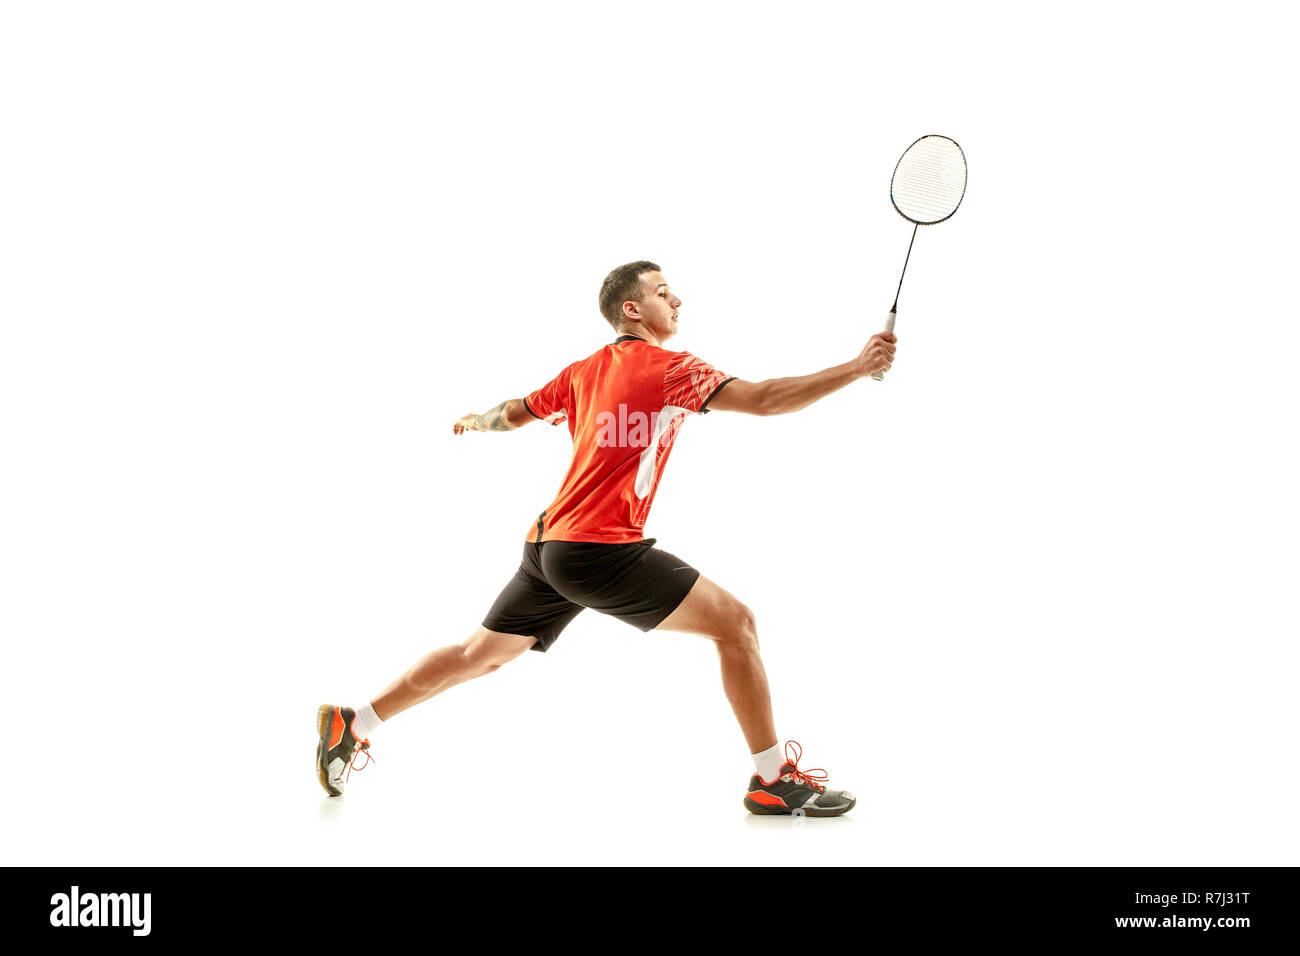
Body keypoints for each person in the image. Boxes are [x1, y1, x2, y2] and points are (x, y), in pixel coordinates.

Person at [316, 260, 897, 815]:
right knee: (737, 624)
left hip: (547, 548)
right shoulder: (673, 369)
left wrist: (474, 419)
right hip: (600, 550)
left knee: (479, 656)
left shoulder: (581, 371)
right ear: (633, 309)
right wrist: (853, 367)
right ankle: (773, 783)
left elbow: (514, 413)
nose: (676, 299)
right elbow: (765, 400)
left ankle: (355, 723)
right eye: (663, 290)